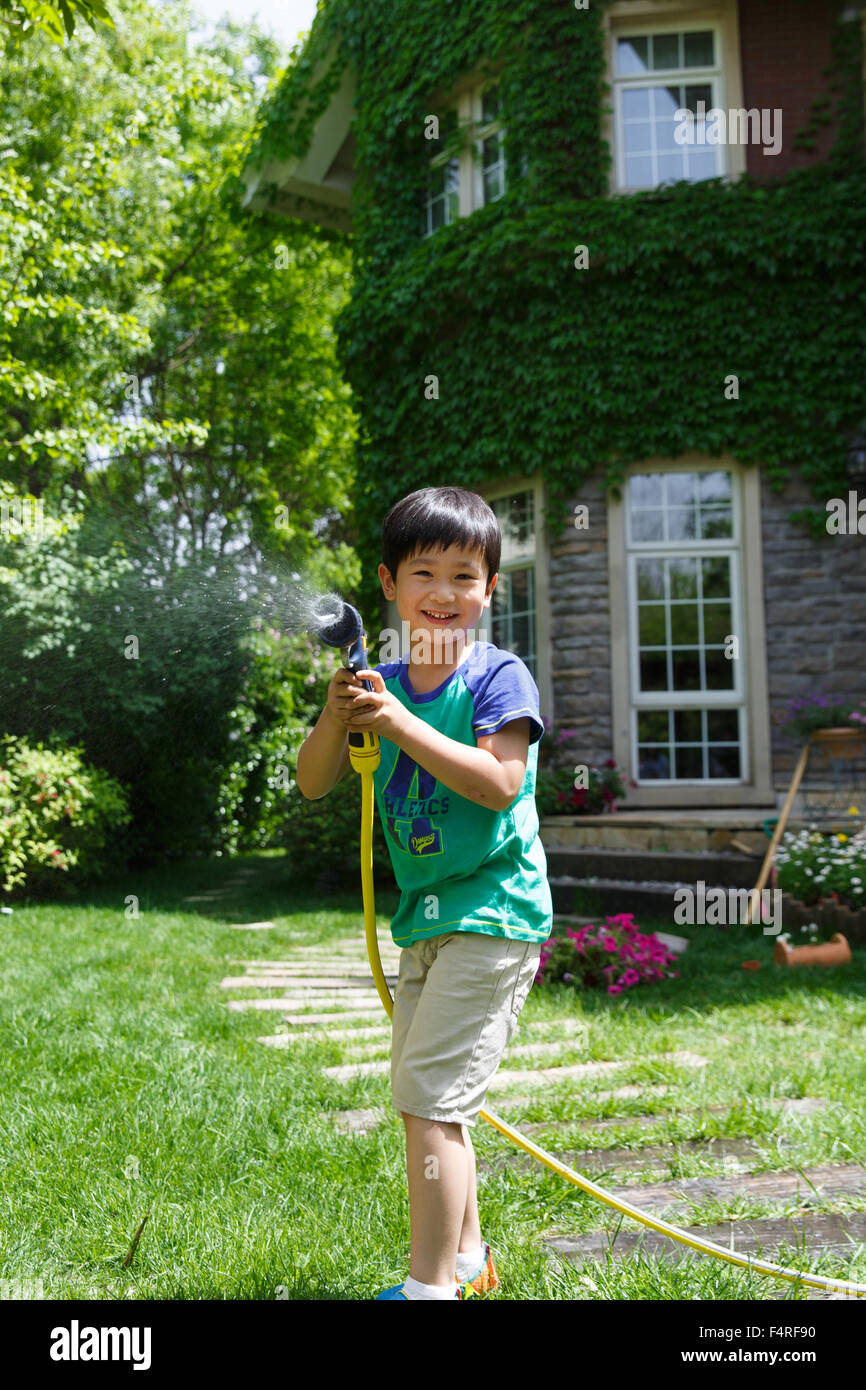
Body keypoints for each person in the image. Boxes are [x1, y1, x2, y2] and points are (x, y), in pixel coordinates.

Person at [296, 486, 553, 1301]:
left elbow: (498, 785)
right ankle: (471, 1263)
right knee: (432, 1099)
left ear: (491, 589)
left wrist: (399, 723)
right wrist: (342, 719)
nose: (444, 593)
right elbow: (312, 784)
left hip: (494, 914)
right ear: (387, 583)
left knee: (428, 1103)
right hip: (424, 922)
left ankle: (430, 1288)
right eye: (424, 573)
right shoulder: (378, 680)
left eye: (465, 576)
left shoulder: (498, 676)